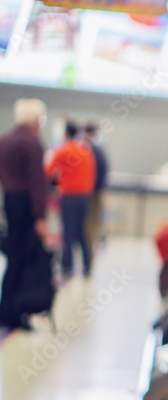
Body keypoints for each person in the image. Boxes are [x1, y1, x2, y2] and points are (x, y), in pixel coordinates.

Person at [0, 99, 54, 331]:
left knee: (14, 256)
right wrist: (40, 216)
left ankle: (7, 308)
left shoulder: (6, 140)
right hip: (26, 206)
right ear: (35, 120)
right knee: (22, 259)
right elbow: (36, 183)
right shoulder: (32, 144)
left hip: (10, 202)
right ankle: (13, 312)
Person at [46, 119, 96, 278]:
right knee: (82, 230)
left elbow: (49, 172)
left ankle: (67, 266)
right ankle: (87, 265)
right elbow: (92, 175)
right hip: (84, 197)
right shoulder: (86, 151)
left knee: (68, 230)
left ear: (66, 133)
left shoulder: (62, 150)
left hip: (68, 196)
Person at [83, 121, 108, 258]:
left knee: (88, 224)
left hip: (86, 192)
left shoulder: (88, 149)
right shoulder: (96, 151)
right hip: (91, 192)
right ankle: (88, 253)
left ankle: (87, 253)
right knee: (91, 224)